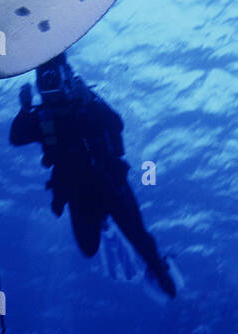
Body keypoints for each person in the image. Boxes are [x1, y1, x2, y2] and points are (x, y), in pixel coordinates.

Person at [10, 53, 176, 298]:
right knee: (88, 249)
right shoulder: (41, 117)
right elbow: (15, 138)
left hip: (111, 184)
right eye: (44, 79)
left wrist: (91, 101)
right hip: (78, 194)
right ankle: (104, 224)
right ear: (39, 85)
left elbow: (116, 124)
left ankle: (160, 271)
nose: (49, 82)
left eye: (53, 76)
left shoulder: (85, 101)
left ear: (66, 76)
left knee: (139, 238)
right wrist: (24, 110)